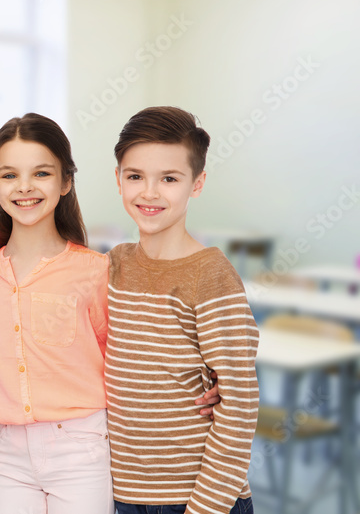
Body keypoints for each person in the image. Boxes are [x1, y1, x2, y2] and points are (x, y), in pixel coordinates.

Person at [106, 106, 259, 514]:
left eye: (169, 179)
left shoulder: (211, 276)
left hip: (194, 498)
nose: (149, 192)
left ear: (197, 183)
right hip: (122, 492)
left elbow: (239, 408)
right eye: (135, 176)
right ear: (118, 179)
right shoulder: (114, 265)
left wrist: (203, 508)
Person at [0, 114, 113, 513]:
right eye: (9, 175)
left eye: (42, 173)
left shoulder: (95, 271)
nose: (25, 187)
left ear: (66, 181)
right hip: (7, 451)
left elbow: (118, 358)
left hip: (80, 448)